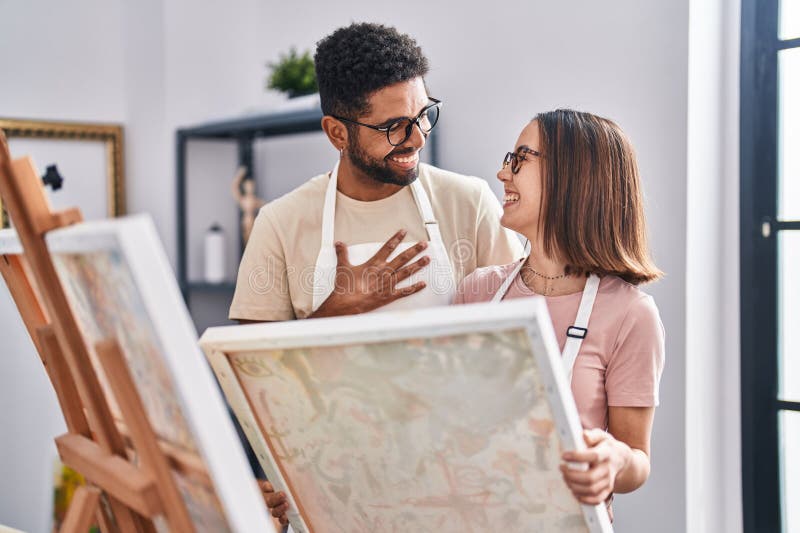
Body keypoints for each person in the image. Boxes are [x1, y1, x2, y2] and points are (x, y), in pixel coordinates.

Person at [228, 22, 522, 324]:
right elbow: (254, 366)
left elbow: (520, 333)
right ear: (337, 133)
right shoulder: (279, 224)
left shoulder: (470, 204)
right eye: (393, 127)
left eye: (422, 116)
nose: (418, 138)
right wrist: (333, 314)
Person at [455, 109, 665, 518]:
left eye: (520, 158)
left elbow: (637, 458)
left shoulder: (631, 314)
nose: (503, 174)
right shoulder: (478, 291)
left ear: (573, 177)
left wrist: (614, 462)